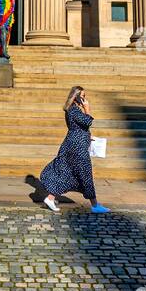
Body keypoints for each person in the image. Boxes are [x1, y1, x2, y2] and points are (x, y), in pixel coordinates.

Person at [37, 85, 109, 213]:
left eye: (85, 97)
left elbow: (79, 126)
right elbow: (87, 122)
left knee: (68, 173)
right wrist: (88, 109)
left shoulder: (73, 109)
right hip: (77, 147)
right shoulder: (73, 110)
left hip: (75, 143)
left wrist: (88, 135)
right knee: (85, 174)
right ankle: (95, 206)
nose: (85, 99)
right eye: (82, 97)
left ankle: (50, 198)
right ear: (76, 98)